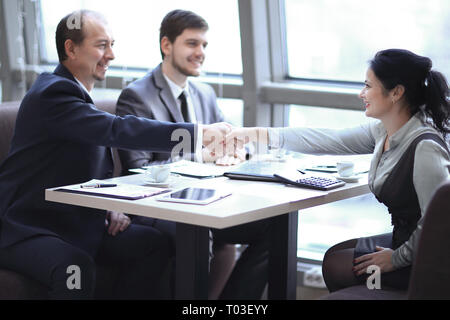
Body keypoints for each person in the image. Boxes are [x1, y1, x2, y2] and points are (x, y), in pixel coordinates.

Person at [0, 10, 229, 299]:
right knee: (76, 267)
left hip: (74, 221)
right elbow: (118, 130)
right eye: (101, 45)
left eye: (112, 44)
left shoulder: (77, 98)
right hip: (27, 229)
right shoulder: (53, 94)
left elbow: (81, 165)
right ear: (70, 48)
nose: (111, 55)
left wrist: (109, 206)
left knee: (152, 244)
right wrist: (197, 134)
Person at [226, 49, 450, 292]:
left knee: (336, 266)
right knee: (333, 257)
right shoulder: (383, 131)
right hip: (405, 241)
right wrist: (256, 134)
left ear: (396, 92)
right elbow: (326, 139)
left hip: (430, 257)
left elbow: (439, 225)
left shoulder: (425, 147)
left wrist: (396, 259)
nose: (361, 94)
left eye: (367, 86)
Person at [116, 9, 269, 299]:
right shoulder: (137, 96)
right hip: (160, 208)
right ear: (166, 45)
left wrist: (237, 151)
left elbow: (233, 138)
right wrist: (200, 157)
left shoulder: (204, 93)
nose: (200, 52)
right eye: (192, 43)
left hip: (206, 202)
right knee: (199, 232)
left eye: (204, 45)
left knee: (274, 226)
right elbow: (139, 169)